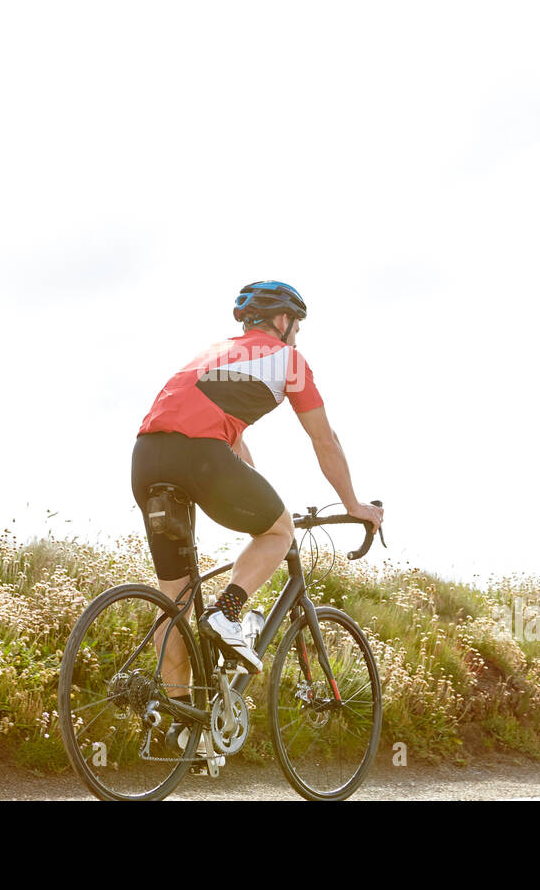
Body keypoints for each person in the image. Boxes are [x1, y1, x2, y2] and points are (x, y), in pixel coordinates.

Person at [130, 280, 383, 744]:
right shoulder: (289, 361)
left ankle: (182, 722)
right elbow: (324, 441)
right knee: (278, 531)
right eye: (297, 326)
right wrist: (353, 505)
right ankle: (228, 613)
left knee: (175, 603)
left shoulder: (213, 353)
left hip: (146, 458)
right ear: (283, 322)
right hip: (200, 457)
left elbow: (232, 441)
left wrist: (256, 490)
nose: (297, 336)